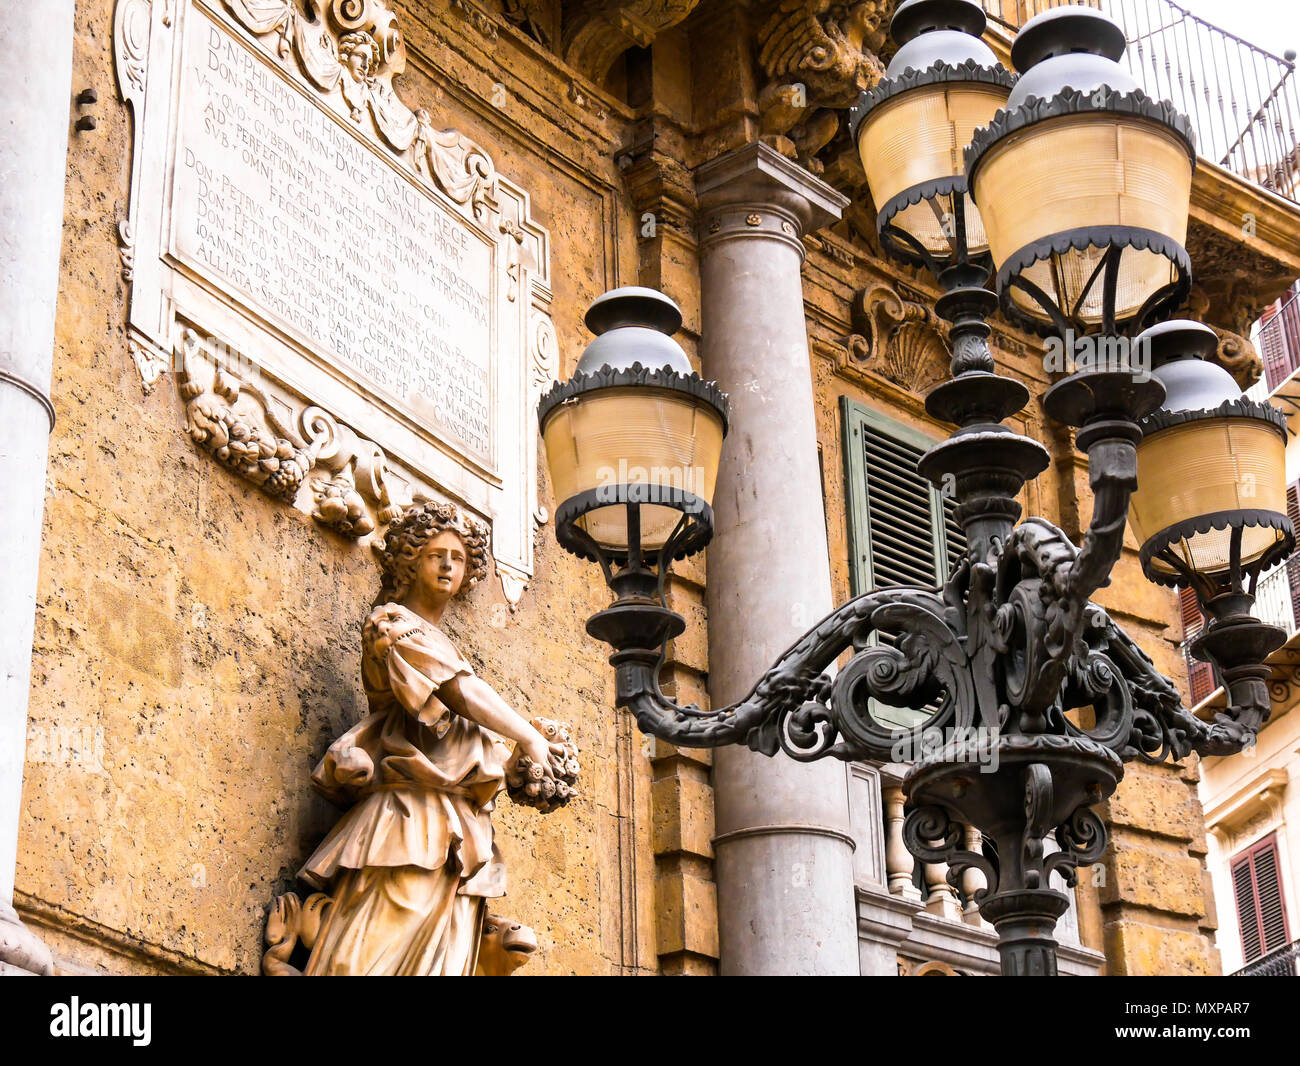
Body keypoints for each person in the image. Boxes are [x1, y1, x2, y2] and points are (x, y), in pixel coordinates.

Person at [295, 501, 567, 975]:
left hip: (460, 838)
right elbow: (455, 689)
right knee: (375, 953)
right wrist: (527, 735)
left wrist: (523, 763)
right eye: (435, 554)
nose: (447, 566)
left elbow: (464, 736)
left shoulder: (442, 643)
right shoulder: (392, 626)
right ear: (409, 562)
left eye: (458, 558)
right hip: (410, 821)